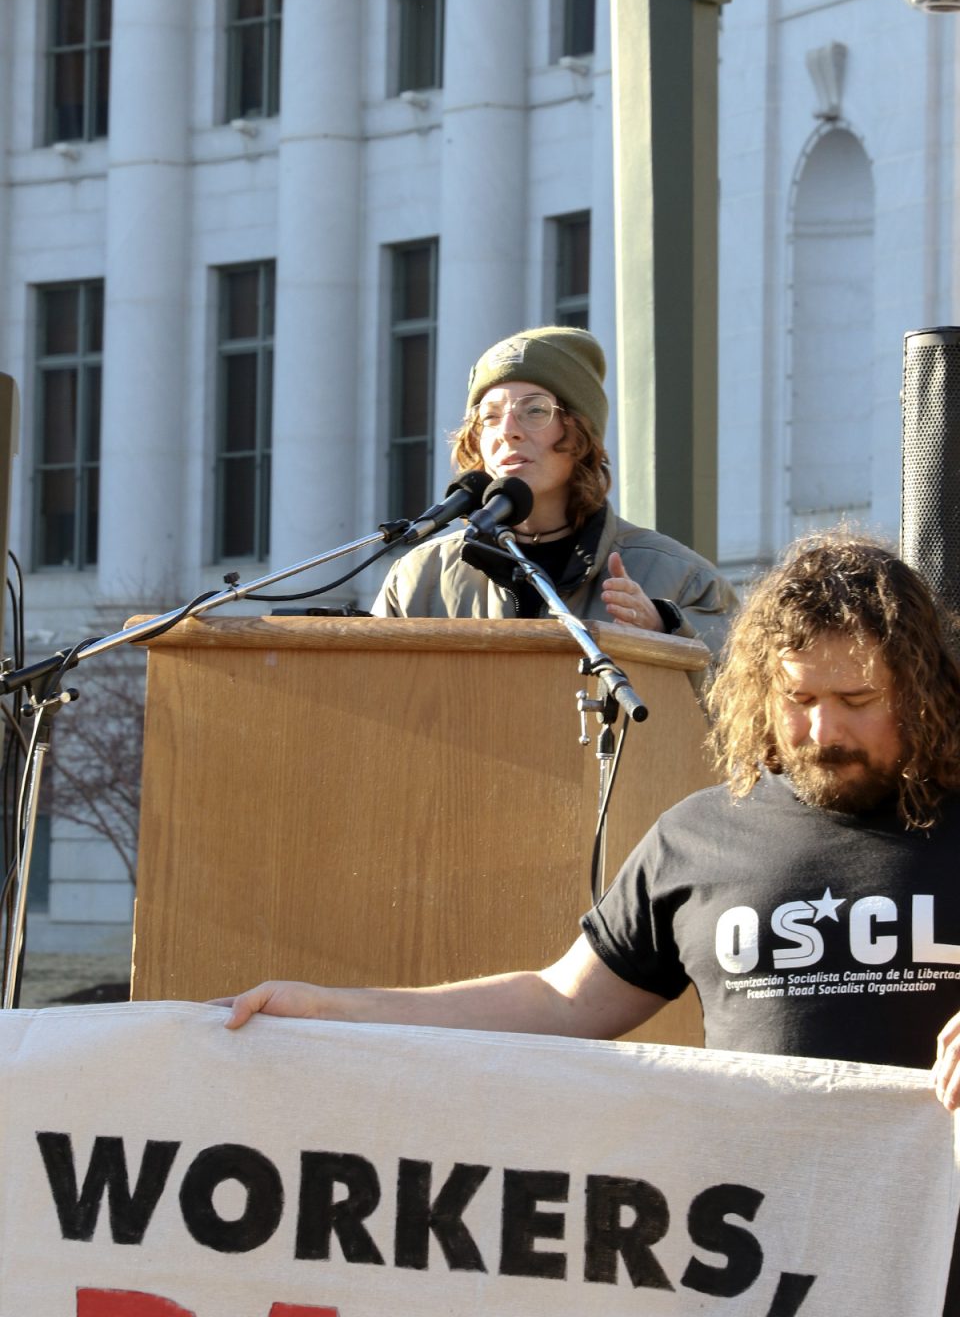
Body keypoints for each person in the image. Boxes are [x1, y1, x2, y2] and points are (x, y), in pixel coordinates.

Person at [220, 534, 960, 1110]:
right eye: (799, 700)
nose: (823, 730)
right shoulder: (698, 838)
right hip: (764, 1260)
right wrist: (328, 1010)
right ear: (761, 692)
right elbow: (559, 1003)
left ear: (921, 690)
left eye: (858, 700)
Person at [371, 325, 737, 656]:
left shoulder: (680, 578)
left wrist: (663, 629)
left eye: (534, 411)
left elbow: (746, 699)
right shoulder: (420, 578)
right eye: (491, 416)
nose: (508, 431)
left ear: (580, 434)